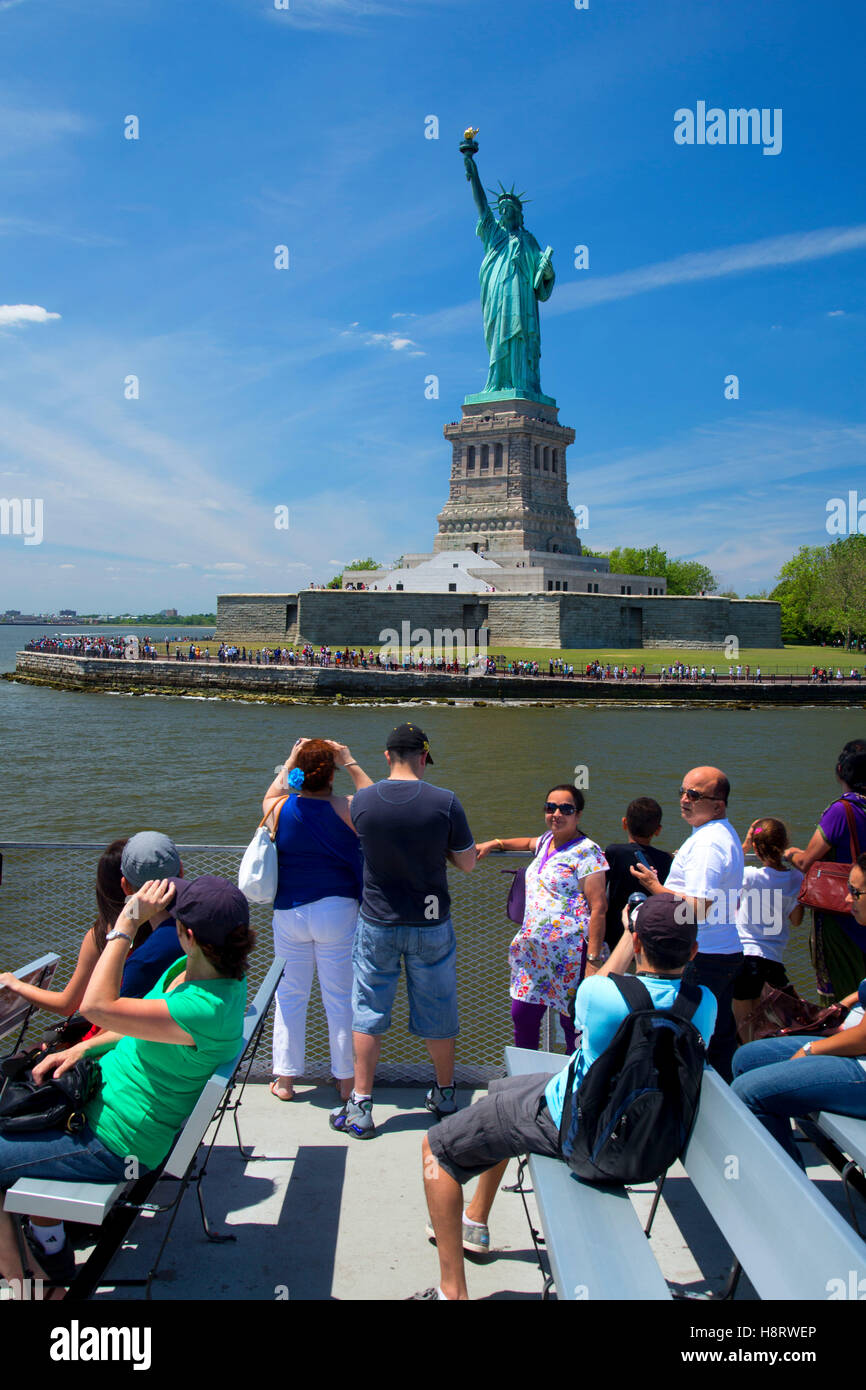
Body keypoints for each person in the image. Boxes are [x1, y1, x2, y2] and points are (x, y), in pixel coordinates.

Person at [413, 895, 716, 1299]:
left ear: (639, 944)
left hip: (575, 1130)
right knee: (504, 1091)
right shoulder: (705, 1004)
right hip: (648, 1144)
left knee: (436, 1151)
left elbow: (600, 982)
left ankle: (452, 1292)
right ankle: (475, 1217)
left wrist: (627, 935)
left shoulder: (603, 995)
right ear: (693, 950)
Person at [0, 874, 253, 1297]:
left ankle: (37, 1290)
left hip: (114, 1141)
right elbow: (140, 1022)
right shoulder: (203, 973)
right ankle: (52, 1258)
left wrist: (126, 923)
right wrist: (83, 1050)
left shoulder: (204, 1007)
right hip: (99, 1099)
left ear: (187, 935)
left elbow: (96, 1005)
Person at [330, 723, 476, 1139]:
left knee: (368, 1010)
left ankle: (360, 1104)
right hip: (431, 923)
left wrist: (343, 762)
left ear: (386, 755)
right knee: (438, 1008)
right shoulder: (445, 802)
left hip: (378, 921)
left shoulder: (362, 803)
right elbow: (467, 864)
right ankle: (446, 1094)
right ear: (424, 756)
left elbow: (368, 804)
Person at [732, 852, 866, 1165]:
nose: (847, 898)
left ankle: (786, 1198)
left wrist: (811, 1050)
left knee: (748, 1092)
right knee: (746, 1058)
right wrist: (850, 999)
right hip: (855, 1042)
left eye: (856, 891)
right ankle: (787, 1163)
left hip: (861, 1064)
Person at [261, 737, 370, 1103]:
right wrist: (349, 759)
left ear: (298, 774)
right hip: (338, 908)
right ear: (331, 774)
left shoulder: (280, 808)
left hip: (290, 909)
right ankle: (345, 1081)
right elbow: (376, 803)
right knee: (339, 998)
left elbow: (271, 794)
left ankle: (286, 1080)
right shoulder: (349, 808)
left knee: (290, 996)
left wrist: (291, 757)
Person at [630, 765, 744, 1081]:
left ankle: (687, 1112)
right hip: (719, 952)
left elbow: (697, 908)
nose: (684, 799)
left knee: (686, 1043)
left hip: (702, 957)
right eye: (682, 791)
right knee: (717, 1041)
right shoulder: (718, 834)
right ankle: (723, 1111)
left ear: (718, 804)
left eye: (694, 795)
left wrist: (654, 887)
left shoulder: (708, 844)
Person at [0, 832, 183, 1025]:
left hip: (114, 1031)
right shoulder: (189, 926)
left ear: (124, 886)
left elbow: (67, 1004)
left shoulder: (103, 935)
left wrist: (16, 984)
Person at [476, 784, 607, 1053]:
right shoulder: (547, 840)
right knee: (522, 1015)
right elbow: (527, 843)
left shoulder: (587, 852)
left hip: (570, 955)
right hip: (533, 953)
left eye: (565, 809)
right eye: (551, 807)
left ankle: (574, 1085)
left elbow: (599, 908)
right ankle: (526, 1080)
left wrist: (593, 960)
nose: (557, 814)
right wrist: (495, 843)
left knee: (572, 1022)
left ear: (578, 815)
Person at [785, 743, 866, 1003]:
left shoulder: (842, 811)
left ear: (840, 772)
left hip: (842, 912)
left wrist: (789, 854)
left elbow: (807, 861)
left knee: (842, 994)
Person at [732, 818, 804, 1040]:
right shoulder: (796, 879)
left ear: (756, 847)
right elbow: (796, 920)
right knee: (771, 1024)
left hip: (745, 957)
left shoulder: (750, 876)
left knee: (744, 1026)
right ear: (784, 844)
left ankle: (746, 1065)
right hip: (773, 960)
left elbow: (730, 864)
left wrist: (744, 846)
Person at [602, 797, 673, 952]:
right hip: (649, 935)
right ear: (658, 830)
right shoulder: (666, 860)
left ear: (624, 823)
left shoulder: (614, 852)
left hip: (614, 933)